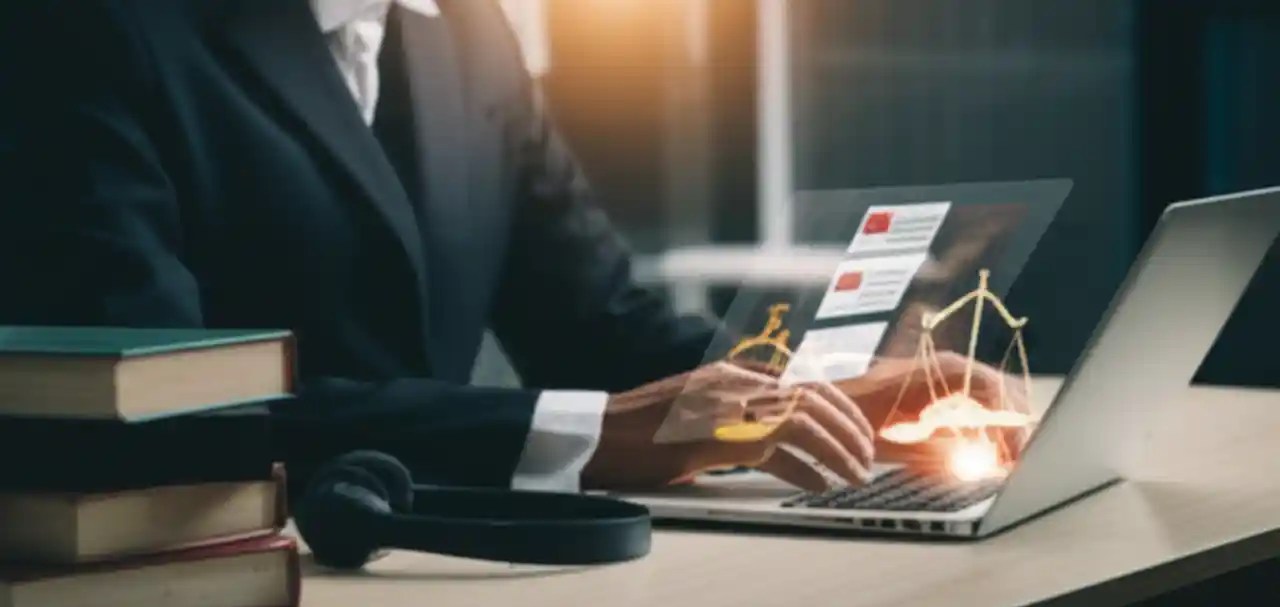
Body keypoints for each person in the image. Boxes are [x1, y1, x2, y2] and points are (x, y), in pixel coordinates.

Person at [0, 0, 1016, 499]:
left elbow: (598, 323)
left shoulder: (463, 33)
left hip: (430, 574)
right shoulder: (84, 31)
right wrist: (581, 435)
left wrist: (824, 389)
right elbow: (150, 406)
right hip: (214, 597)